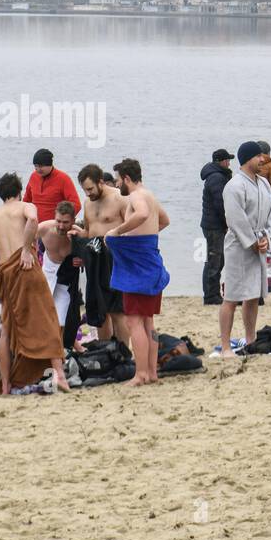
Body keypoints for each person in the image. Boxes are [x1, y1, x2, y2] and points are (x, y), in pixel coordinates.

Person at [0, 174, 71, 395]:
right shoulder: (26, 206)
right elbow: (33, 220)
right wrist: (25, 249)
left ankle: (5, 385)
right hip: (26, 267)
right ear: (19, 191)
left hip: (4, 272)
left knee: (7, 328)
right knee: (48, 318)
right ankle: (59, 374)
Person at [105, 158, 170, 386]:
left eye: (117, 181)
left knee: (134, 322)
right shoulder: (149, 194)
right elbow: (164, 220)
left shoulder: (136, 196)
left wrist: (118, 231)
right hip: (151, 263)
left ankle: (141, 374)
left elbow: (141, 214)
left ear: (126, 178)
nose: (116, 185)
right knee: (148, 322)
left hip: (138, 269)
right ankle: (152, 372)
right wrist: (146, 235)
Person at [217, 141, 271, 357]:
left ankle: (251, 340)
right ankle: (225, 347)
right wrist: (251, 242)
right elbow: (235, 218)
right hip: (238, 247)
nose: (263, 160)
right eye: (258, 156)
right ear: (247, 159)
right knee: (231, 297)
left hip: (259, 243)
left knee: (252, 295)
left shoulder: (264, 184)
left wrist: (267, 236)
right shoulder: (234, 186)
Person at [76, 163, 127, 343]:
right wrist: (76, 236)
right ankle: (106, 351)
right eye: (84, 190)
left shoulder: (119, 197)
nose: (88, 193)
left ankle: (123, 352)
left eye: (90, 188)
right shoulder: (87, 203)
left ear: (100, 182)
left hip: (115, 254)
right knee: (100, 309)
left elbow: (131, 227)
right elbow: (88, 232)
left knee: (117, 310)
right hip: (94, 254)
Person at [37, 201, 82, 348]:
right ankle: (49, 348)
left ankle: (61, 348)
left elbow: (93, 254)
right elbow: (24, 241)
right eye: (58, 221)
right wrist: (29, 254)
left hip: (66, 276)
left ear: (73, 220)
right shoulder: (44, 228)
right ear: (54, 217)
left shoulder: (78, 234)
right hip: (47, 270)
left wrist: (82, 259)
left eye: (66, 222)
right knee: (43, 316)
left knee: (62, 318)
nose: (61, 226)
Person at [199, 148, 234, 306]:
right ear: (221, 161)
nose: (229, 163)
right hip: (214, 226)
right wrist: (227, 223)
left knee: (216, 259)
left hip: (213, 224)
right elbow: (221, 204)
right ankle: (210, 295)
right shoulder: (216, 178)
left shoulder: (217, 175)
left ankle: (212, 293)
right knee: (214, 259)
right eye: (227, 160)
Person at [23, 148, 81, 223]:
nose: (38, 169)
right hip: (34, 225)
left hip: (54, 227)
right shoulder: (33, 176)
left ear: (50, 164)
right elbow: (26, 202)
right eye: (36, 166)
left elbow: (76, 205)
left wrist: (62, 222)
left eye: (41, 166)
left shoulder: (63, 179)